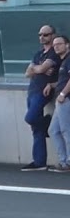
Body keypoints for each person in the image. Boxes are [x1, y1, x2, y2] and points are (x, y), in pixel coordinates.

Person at [21, 25, 60, 171]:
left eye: (46, 34)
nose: (42, 37)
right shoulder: (38, 54)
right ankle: (39, 161)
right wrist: (38, 69)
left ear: (52, 35)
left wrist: (37, 69)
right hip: (32, 90)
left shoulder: (53, 53)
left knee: (31, 118)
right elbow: (27, 73)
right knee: (35, 129)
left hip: (42, 91)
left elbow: (41, 69)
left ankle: (47, 122)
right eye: (40, 35)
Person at [46, 35, 70, 172]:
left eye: (59, 44)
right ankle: (63, 161)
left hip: (65, 99)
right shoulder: (63, 61)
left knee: (67, 130)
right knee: (53, 130)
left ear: (67, 45)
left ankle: (68, 162)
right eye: (54, 45)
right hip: (60, 99)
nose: (56, 47)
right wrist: (52, 85)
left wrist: (62, 94)